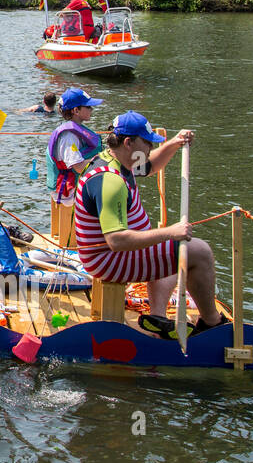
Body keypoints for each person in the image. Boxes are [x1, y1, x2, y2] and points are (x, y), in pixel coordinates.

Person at [73, 113, 221, 339]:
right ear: (128, 142)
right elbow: (117, 241)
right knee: (199, 252)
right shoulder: (110, 180)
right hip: (109, 260)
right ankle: (212, 323)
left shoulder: (117, 159)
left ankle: (158, 317)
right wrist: (168, 232)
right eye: (147, 141)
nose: (151, 146)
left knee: (171, 247)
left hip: (108, 254)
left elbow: (151, 166)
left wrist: (174, 143)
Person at [48, 89, 104, 206]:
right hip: (69, 194)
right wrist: (103, 160)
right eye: (88, 107)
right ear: (76, 110)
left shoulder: (76, 130)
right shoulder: (69, 136)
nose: (91, 109)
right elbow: (78, 166)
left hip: (78, 188)